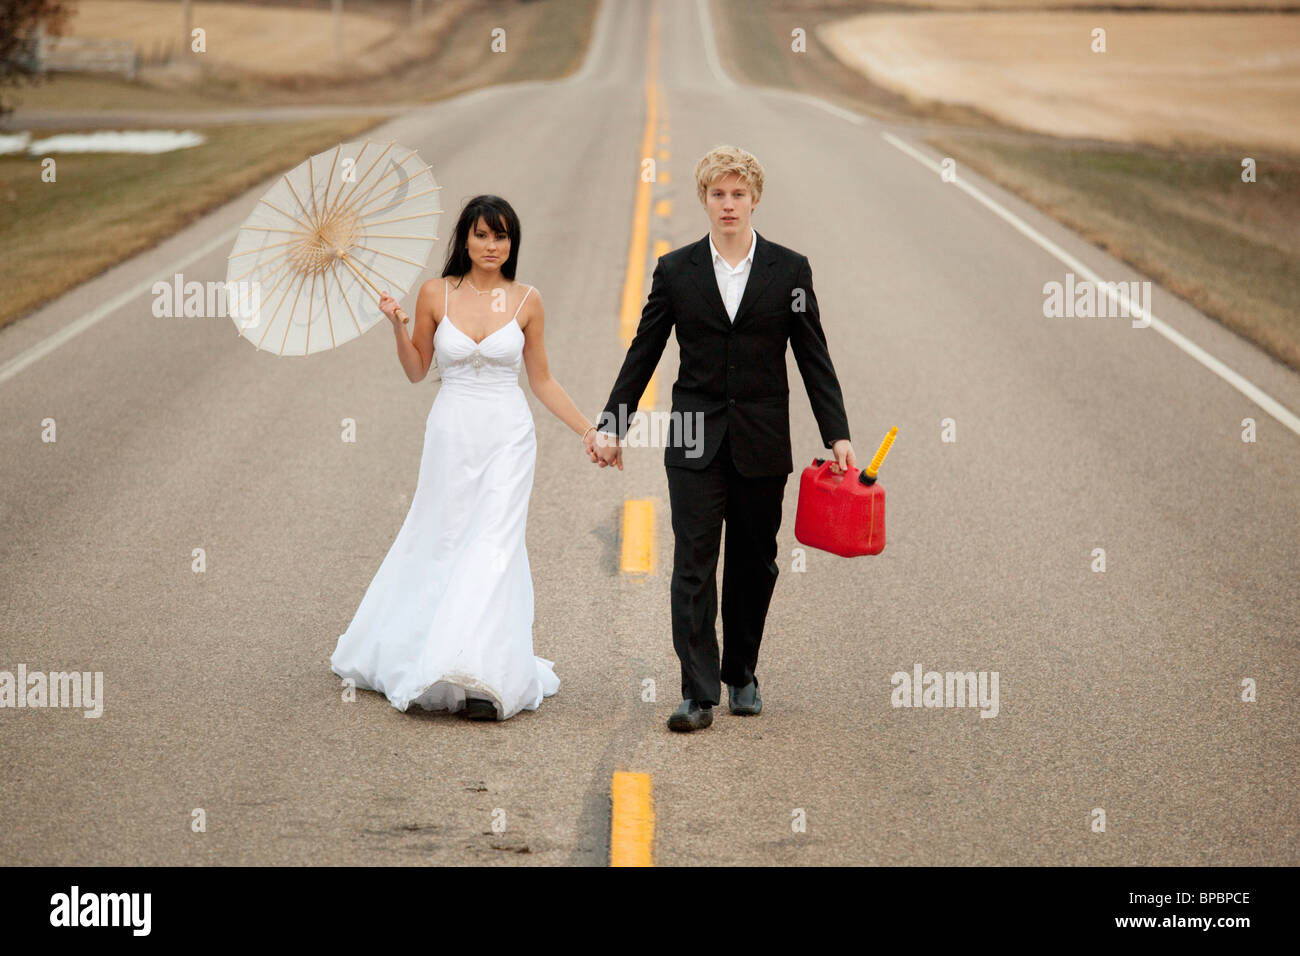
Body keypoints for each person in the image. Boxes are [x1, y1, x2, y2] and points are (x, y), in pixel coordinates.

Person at [592, 145, 858, 732]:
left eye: (738, 194)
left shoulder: (790, 271)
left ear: (754, 199)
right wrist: (612, 426)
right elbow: (645, 351)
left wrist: (836, 433)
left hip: (763, 437)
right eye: (718, 194)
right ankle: (697, 690)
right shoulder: (675, 270)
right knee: (693, 560)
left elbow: (814, 357)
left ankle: (742, 672)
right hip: (691, 431)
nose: (728, 204)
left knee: (754, 561)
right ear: (705, 200)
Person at [330, 195, 599, 720]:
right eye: (482, 235)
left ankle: (482, 675)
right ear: (465, 239)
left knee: (494, 545)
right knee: (445, 538)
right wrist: (397, 326)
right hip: (451, 436)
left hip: (509, 438)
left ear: (512, 243)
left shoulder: (527, 301)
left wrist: (588, 430)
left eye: (501, 236)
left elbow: (541, 380)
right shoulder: (436, 293)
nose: (491, 246)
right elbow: (415, 370)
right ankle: (432, 654)